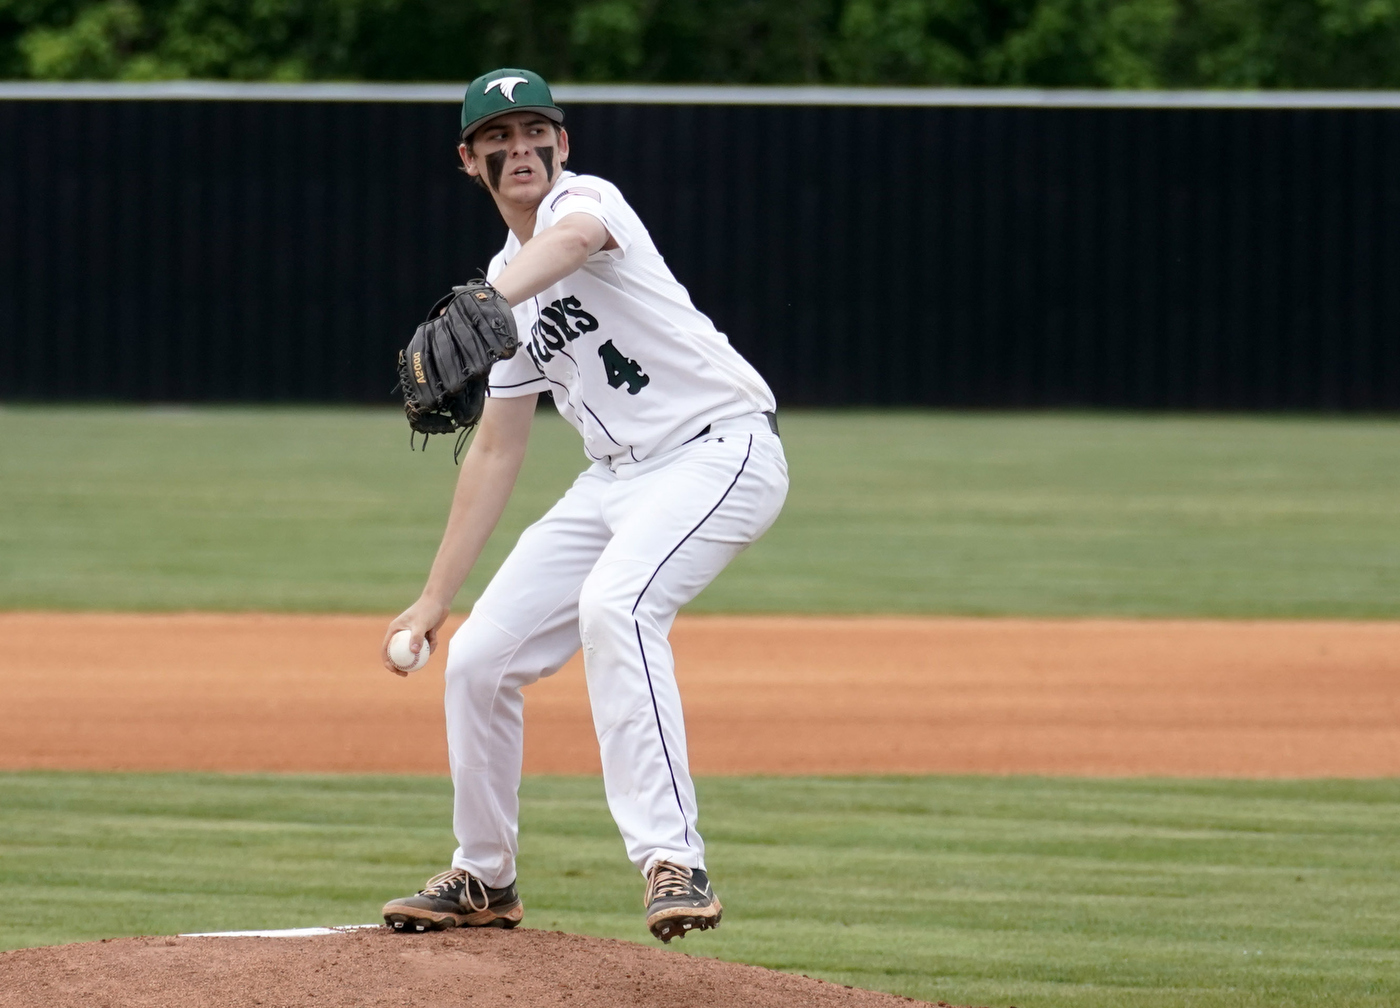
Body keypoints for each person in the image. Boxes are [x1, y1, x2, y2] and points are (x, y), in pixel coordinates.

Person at [378, 68, 788, 944]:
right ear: (469, 159)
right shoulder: (501, 286)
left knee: (618, 604)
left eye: (536, 133)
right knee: (479, 658)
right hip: (614, 479)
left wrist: (490, 301)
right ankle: (484, 877)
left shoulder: (587, 203)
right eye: (499, 137)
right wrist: (433, 598)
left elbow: (570, 245)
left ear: (562, 144)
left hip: (719, 447)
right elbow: (495, 447)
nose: (519, 148)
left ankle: (673, 861)